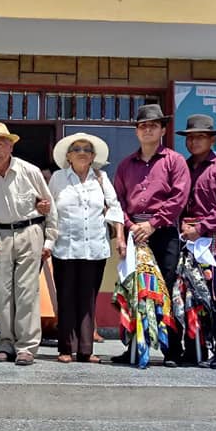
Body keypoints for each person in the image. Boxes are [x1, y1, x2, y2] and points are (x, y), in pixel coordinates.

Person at [0, 122, 58, 366]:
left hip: (30, 232)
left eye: (0, 144)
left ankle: (27, 347)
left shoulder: (29, 171)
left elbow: (49, 207)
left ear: (10, 145)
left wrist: (49, 239)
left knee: (27, 292)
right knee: (2, 292)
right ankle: (5, 344)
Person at [111, 104, 190, 366]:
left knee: (166, 288)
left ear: (163, 130)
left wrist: (154, 224)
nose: (148, 130)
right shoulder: (124, 165)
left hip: (163, 231)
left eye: (153, 125)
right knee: (133, 289)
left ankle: (172, 350)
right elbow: (117, 201)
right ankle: (133, 346)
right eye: (143, 126)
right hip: (135, 232)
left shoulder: (174, 161)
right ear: (136, 131)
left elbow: (179, 197)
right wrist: (130, 228)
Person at [48, 133, 123, 364]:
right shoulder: (58, 178)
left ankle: (86, 350)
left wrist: (119, 236)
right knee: (67, 296)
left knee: (87, 298)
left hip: (95, 248)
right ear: (68, 156)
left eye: (87, 150)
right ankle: (65, 348)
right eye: (77, 149)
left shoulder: (100, 178)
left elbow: (114, 206)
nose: (82, 152)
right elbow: (49, 210)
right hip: (65, 247)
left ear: (93, 157)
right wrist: (47, 241)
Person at [177, 114, 216, 368]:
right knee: (188, 293)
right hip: (185, 237)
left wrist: (202, 227)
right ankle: (193, 347)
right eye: (190, 138)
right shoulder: (182, 166)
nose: (194, 142)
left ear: (212, 140)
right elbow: (176, 199)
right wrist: (180, 223)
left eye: (200, 137)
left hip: (213, 238)